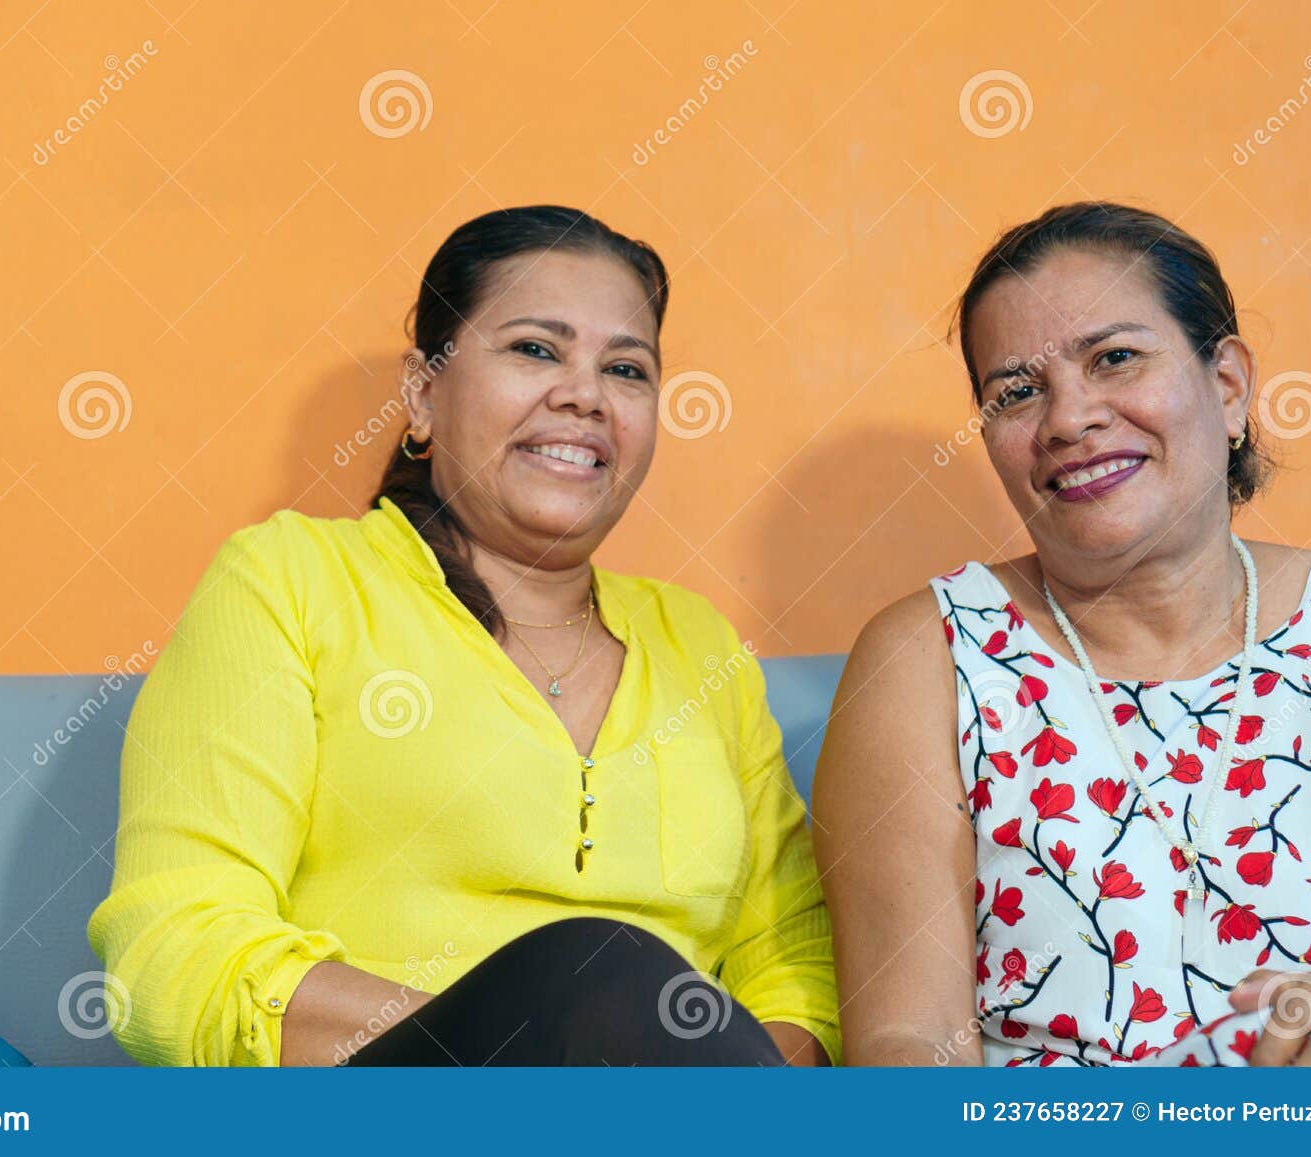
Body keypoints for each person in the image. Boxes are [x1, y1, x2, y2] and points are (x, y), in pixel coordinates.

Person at [87, 205, 840, 1066]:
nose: (585, 395)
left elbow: (795, 967)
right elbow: (178, 948)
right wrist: (523, 1051)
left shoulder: (698, 644)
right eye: (534, 349)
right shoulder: (290, 580)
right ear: (422, 393)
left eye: (625, 369)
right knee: (595, 972)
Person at [814, 201, 1311, 1067]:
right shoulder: (929, 658)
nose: (1068, 418)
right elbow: (909, 1045)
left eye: (1116, 358)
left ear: (1229, 385)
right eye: (1016, 392)